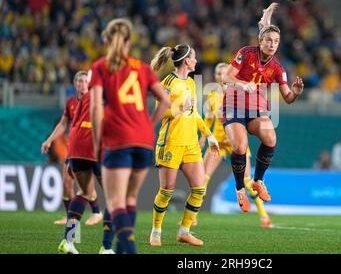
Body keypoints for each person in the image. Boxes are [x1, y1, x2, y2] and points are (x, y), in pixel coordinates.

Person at [90, 18, 170, 254]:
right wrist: (149, 124)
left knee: (115, 202)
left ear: (106, 39)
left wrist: (96, 144)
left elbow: (95, 108)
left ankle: (130, 249)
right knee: (130, 199)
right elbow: (165, 100)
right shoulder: (142, 68)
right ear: (130, 40)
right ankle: (122, 248)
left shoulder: (101, 67)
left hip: (118, 139)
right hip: (144, 139)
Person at [222, 2, 304, 212]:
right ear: (260, 40)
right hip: (233, 105)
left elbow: (287, 97)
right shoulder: (246, 53)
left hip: (256, 109)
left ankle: (258, 180)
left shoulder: (277, 68)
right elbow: (225, 76)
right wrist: (242, 83)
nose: (272, 44)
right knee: (240, 147)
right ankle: (240, 189)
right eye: (268, 39)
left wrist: (295, 92)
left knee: (270, 137)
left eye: (276, 41)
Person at [149, 43, 219, 247]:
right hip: (170, 142)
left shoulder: (190, 83)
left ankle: (184, 231)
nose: (196, 60)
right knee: (167, 190)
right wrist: (180, 107)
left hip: (190, 144)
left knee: (199, 189)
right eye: (194, 57)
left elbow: (194, 113)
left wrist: (209, 134)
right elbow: (160, 112)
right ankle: (155, 231)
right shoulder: (167, 83)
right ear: (187, 60)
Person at [200, 62, 272, 227]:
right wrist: (204, 137)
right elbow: (208, 120)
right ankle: (191, 217)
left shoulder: (240, 95)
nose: (220, 76)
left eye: (223, 73)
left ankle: (263, 215)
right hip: (218, 144)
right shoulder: (212, 95)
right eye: (218, 73)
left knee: (248, 182)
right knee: (202, 179)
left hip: (237, 145)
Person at [41, 71, 102, 226]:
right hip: (77, 149)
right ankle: (72, 221)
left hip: (94, 149)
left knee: (86, 188)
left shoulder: (97, 100)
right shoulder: (71, 103)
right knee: (69, 185)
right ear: (75, 83)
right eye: (79, 81)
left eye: (85, 81)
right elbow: (63, 124)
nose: (82, 84)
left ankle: (95, 214)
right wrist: (49, 140)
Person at [56, 87, 104, 254]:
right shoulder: (113, 92)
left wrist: (70, 155)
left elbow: (73, 124)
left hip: (77, 145)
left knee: (84, 192)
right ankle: (107, 247)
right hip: (95, 145)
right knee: (116, 196)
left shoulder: (84, 97)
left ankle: (68, 241)